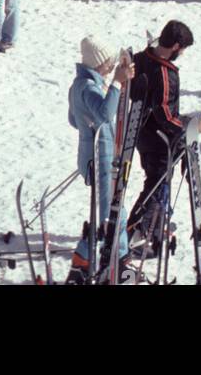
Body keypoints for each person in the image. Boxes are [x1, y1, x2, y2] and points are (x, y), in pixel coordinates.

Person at [125, 21, 201, 250]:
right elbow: (166, 115)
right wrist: (192, 126)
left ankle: (155, 222)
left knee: (157, 180)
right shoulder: (164, 72)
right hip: (158, 139)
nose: (181, 54)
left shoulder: (142, 57)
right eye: (182, 50)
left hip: (141, 133)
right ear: (176, 46)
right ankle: (135, 229)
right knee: (156, 183)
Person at [66, 37, 135, 281]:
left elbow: (74, 119)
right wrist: (116, 84)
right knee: (111, 214)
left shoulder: (79, 85)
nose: (111, 66)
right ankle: (104, 259)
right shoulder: (88, 87)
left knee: (115, 211)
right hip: (101, 157)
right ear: (98, 63)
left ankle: (117, 258)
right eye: (108, 62)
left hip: (94, 156)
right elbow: (106, 115)